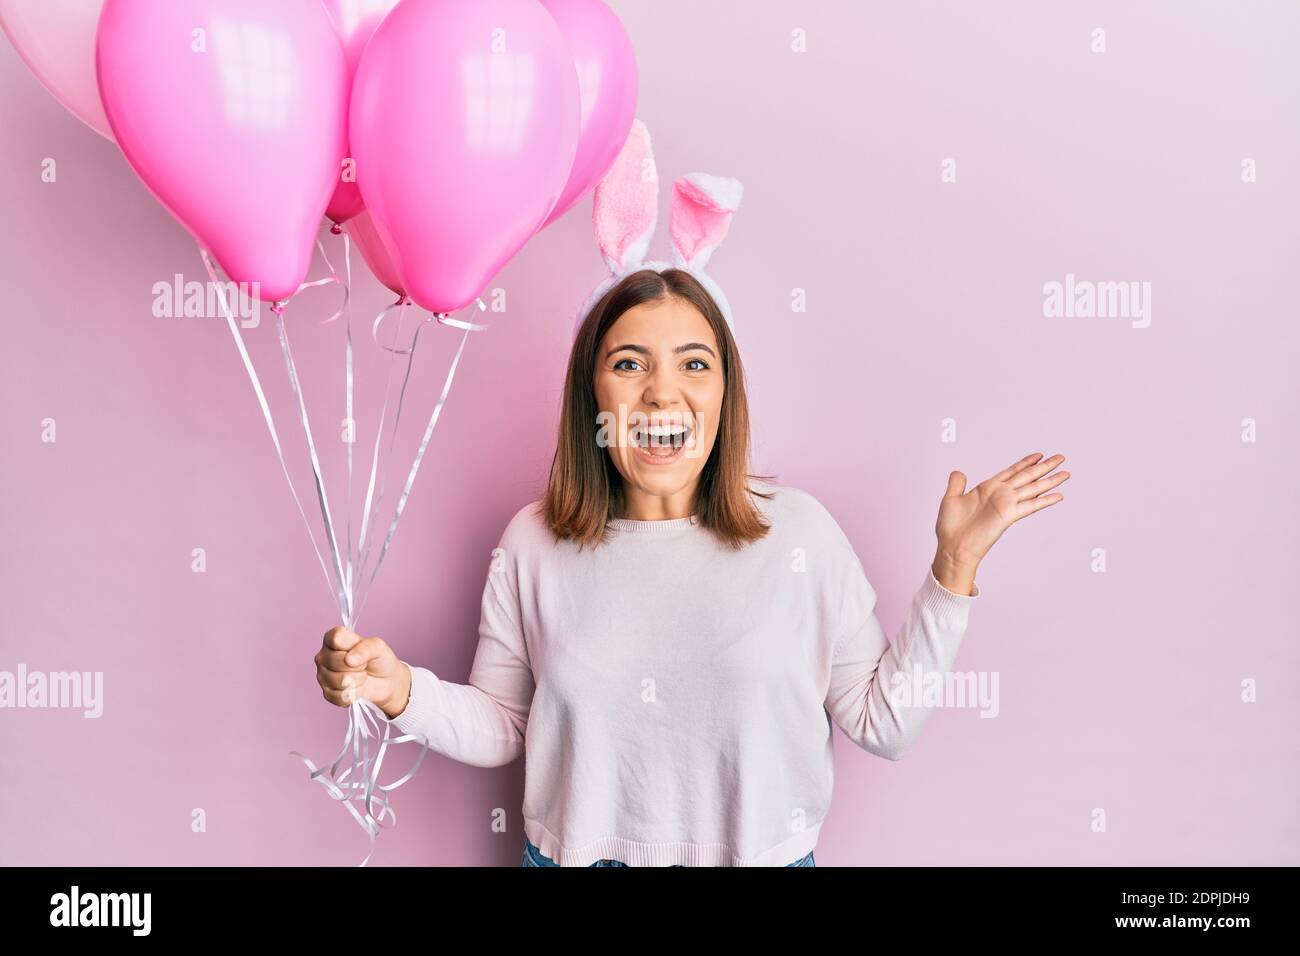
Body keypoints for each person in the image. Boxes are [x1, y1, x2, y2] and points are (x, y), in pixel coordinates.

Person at [313, 122, 1069, 866]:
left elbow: (885, 723)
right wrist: (398, 688)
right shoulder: (533, 541)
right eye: (630, 364)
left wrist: (954, 569)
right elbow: (504, 722)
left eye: (695, 366)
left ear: (726, 393)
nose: (661, 394)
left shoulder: (801, 538)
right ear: (592, 393)